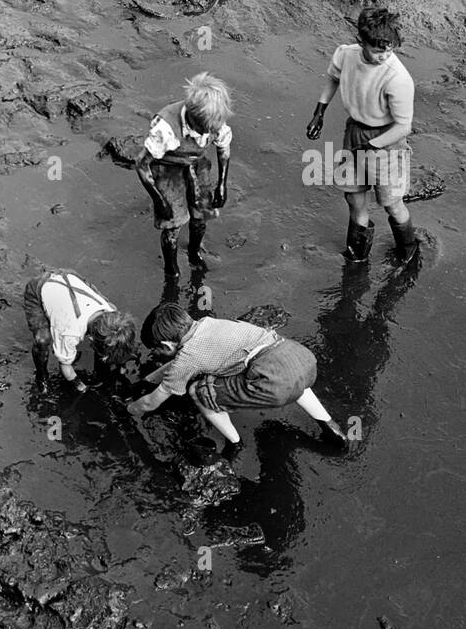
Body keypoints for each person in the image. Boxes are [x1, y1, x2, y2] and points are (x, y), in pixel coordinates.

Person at [128, 302, 346, 447]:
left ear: (166, 345)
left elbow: (150, 403)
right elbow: (178, 364)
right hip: (301, 359)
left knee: (199, 391)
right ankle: (330, 426)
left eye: (156, 350)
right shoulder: (208, 323)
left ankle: (234, 442)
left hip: (275, 383)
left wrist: (128, 408)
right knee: (291, 375)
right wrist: (148, 380)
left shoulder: (188, 357)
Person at [306, 4, 419, 263]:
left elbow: (403, 126)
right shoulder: (346, 55)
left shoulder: (398, 78)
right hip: (355, 132)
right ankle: (356, 255)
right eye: (378, 50)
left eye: (389, 50)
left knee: (391, 202)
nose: (384, 56)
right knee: (354, 198)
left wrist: (372, 147)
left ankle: (409, 251)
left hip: (387, 142)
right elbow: (333, 79)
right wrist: (319, 112)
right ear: (362, 41)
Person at [134, 73, 232, 290]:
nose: (210, 132)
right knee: (172, 225)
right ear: (194, 119)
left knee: (201, 215)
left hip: (195, 162)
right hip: (168, 168)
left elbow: (223, 148)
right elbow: (141, 164)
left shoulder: (214, 120)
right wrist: (159, 200)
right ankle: (171, 270)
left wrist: (222, 184)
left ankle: (195, 251)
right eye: (205, 129)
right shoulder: (165, 128)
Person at [22, 269, 138, 391]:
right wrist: (80, 386)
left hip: (70, 277)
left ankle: (104, 359)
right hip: (40, 287)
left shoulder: (112, 312)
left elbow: (119, 338)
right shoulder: (69, 333)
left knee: (110, 344)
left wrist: (120, 363)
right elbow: (65, 366)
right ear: (91, 339)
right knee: (42, 340)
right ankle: (41, 376)